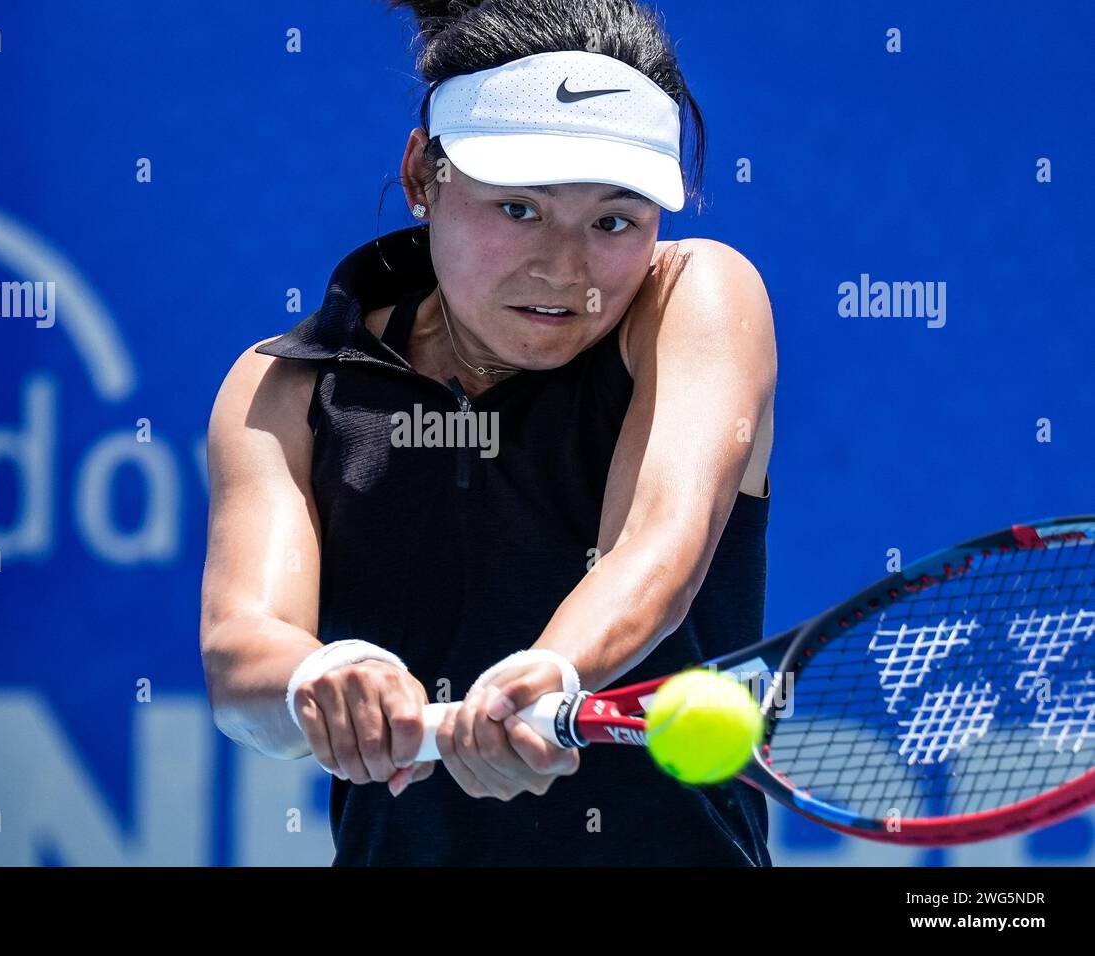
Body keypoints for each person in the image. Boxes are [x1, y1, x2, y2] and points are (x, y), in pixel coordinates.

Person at [200, 0, 777, 865]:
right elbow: (242, 651)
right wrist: (324, 679)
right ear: (421, 177)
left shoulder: (696, 295)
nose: (563, 268)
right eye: (517, 209)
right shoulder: (288, 384)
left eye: (614, 221)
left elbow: (657, 548)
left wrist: (551, 671)